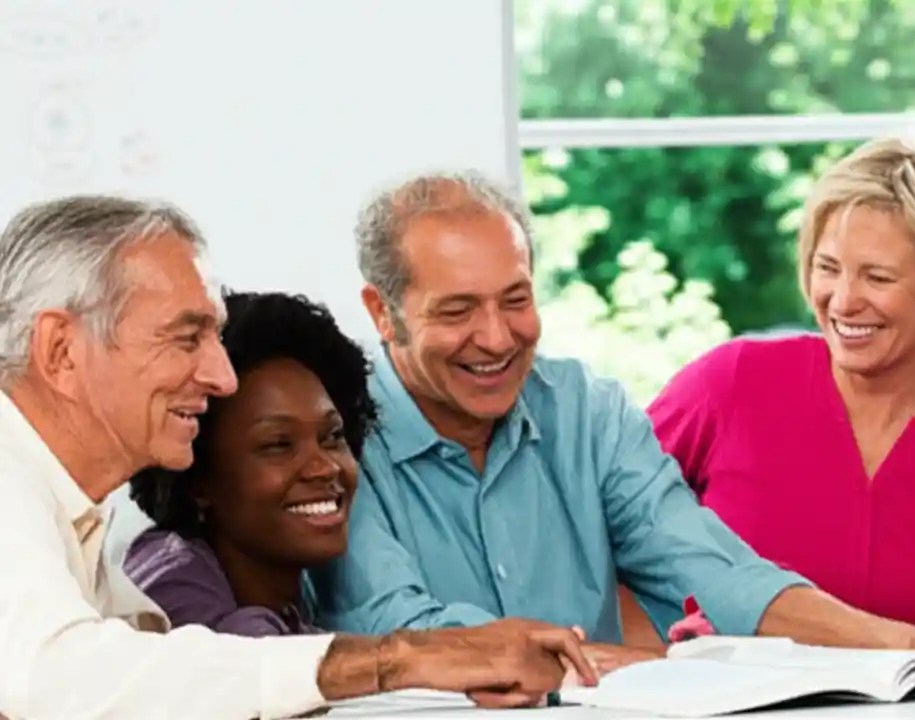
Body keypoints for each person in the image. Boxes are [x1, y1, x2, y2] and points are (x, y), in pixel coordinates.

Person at [306, 170, 915, 664]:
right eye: (458, 311)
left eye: (516, 300)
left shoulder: (586, 411)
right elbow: (405, 631)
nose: (496, 337)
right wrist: (615, 666)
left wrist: (907, 645)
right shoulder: (331, 438)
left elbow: (712, 568)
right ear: (382, 312)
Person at [0, 195, 596, 719]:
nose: (221, 377)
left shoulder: (78, 518)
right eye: (186, 338)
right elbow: (59, 678)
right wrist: (401, 658)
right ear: (61, 349)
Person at [648, 136, 915, 641]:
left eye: (877, 278)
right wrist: (640, 649)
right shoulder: (729, 383)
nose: (842, 301)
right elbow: (601, 522)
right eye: (828, 268)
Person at [125, 290, 376, 636]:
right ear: (196, 477)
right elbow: (249, 658)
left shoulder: (289, 587)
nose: (325, 467)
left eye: (332, 436)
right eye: (278, 445)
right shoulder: (172, 588)